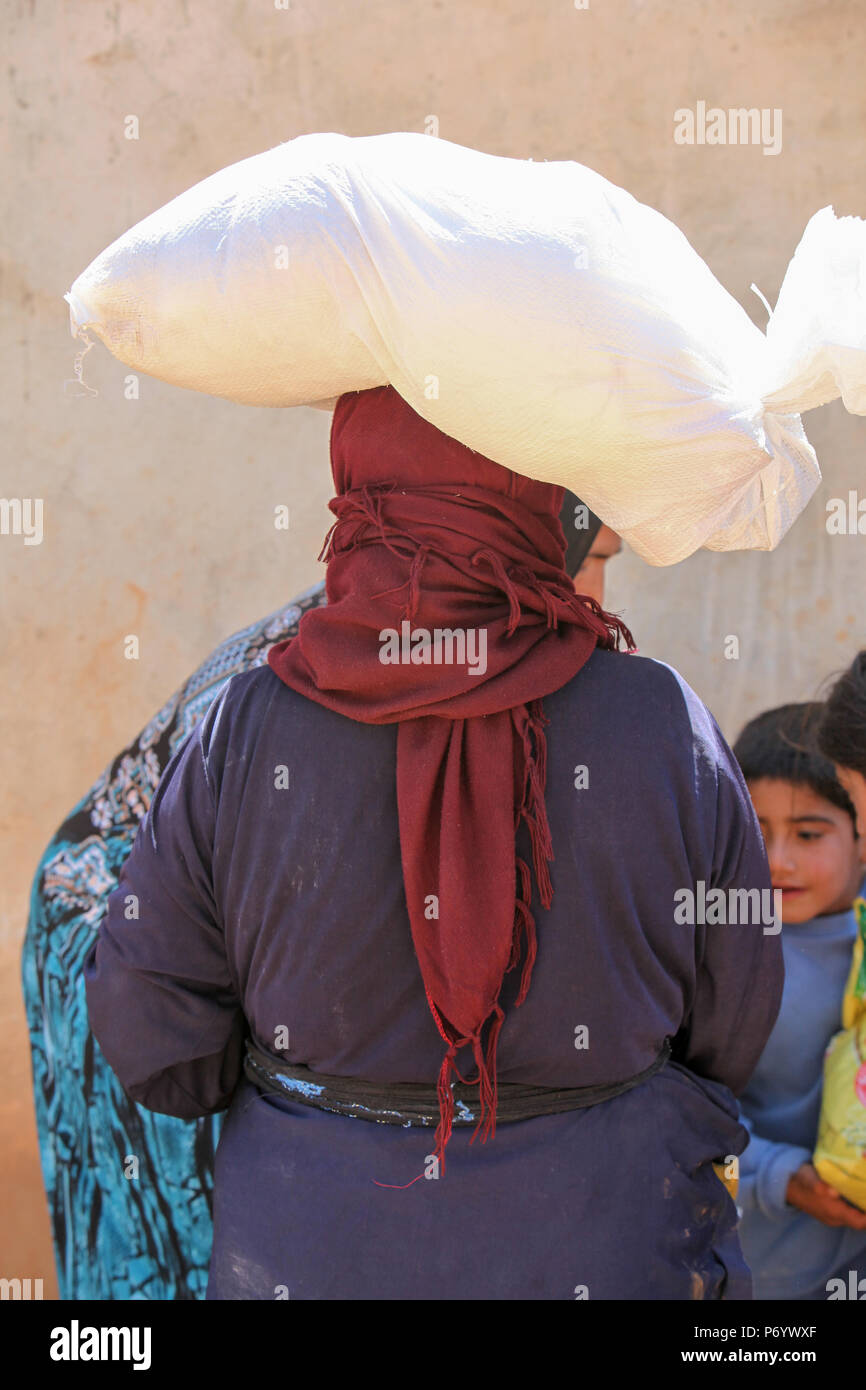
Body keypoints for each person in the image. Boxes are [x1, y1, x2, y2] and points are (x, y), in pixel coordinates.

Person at [82, 384, 782, 1300]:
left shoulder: (245, 727)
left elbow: (154, 1033)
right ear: (539, 506)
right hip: (607, 1242)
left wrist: (317, 1097)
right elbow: (735, 1021)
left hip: (310, 1249)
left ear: (359, 510)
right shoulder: (661, 719)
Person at [22, 464, 611, 1300]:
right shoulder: (329, 659)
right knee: (169, 1226)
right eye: (598, 559)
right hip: (116, 941)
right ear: (531, 542)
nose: (600, 591)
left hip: (196, 959)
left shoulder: (457, 643)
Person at [731, 701, 866, 1300]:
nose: (778, 860)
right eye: (755, 832)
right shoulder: (717, 952)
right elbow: (681, 1103)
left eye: (809, 834)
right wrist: (784, 1177)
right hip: (758, 1267)